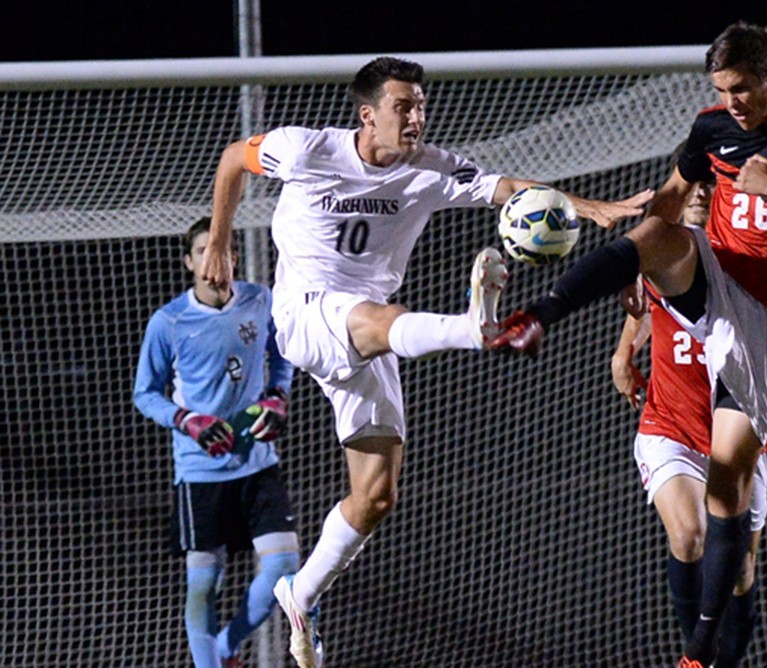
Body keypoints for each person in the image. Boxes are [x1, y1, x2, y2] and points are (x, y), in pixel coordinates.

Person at [200, 56, 652, 668]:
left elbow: (509, 190)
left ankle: (300, 593)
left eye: (420, 104)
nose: (416, 116)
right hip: (307, 314)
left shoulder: (431, 168)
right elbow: (234, 157)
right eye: (402, 106)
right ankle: (472, 329)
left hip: (372, 335)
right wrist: (223, 242)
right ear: (368, 115)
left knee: (377, 496)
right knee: (376, 316)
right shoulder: (304, 150)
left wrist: (590, 207)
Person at [493, 22, 767, 668]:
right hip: (712, 272)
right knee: (658, 236)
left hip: (766, 316)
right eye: (722, 90)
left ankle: (702, 652)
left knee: (727, 493)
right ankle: (541, 314)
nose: (732, 103)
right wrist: (638, 267)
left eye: (742, 89)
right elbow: (672, 198)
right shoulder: (714, 129)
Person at [610, 177, 767, 668]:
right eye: (692, 185)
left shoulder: (749, 258)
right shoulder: (664, 249)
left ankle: (728, 663)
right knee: (689, 535)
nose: (700, 193)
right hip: (669, 428)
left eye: (711, 186)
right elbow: (642, 305)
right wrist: (622, 354)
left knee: (741, 569)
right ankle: (693, 656)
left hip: (736, 434)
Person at [134, 217, 299, 668]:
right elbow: (145, 394)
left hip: (258, 461)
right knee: (204, 584)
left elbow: (282, 354)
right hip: (200, 471)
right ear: (189, 261)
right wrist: (187, 420)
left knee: (286, 568)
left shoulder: (258, 300)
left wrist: (277, 397)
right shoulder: (168, 322)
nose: (215, 259)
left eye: (222, 248)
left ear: (234, 256)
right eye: (205, 250)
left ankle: (224, 648)